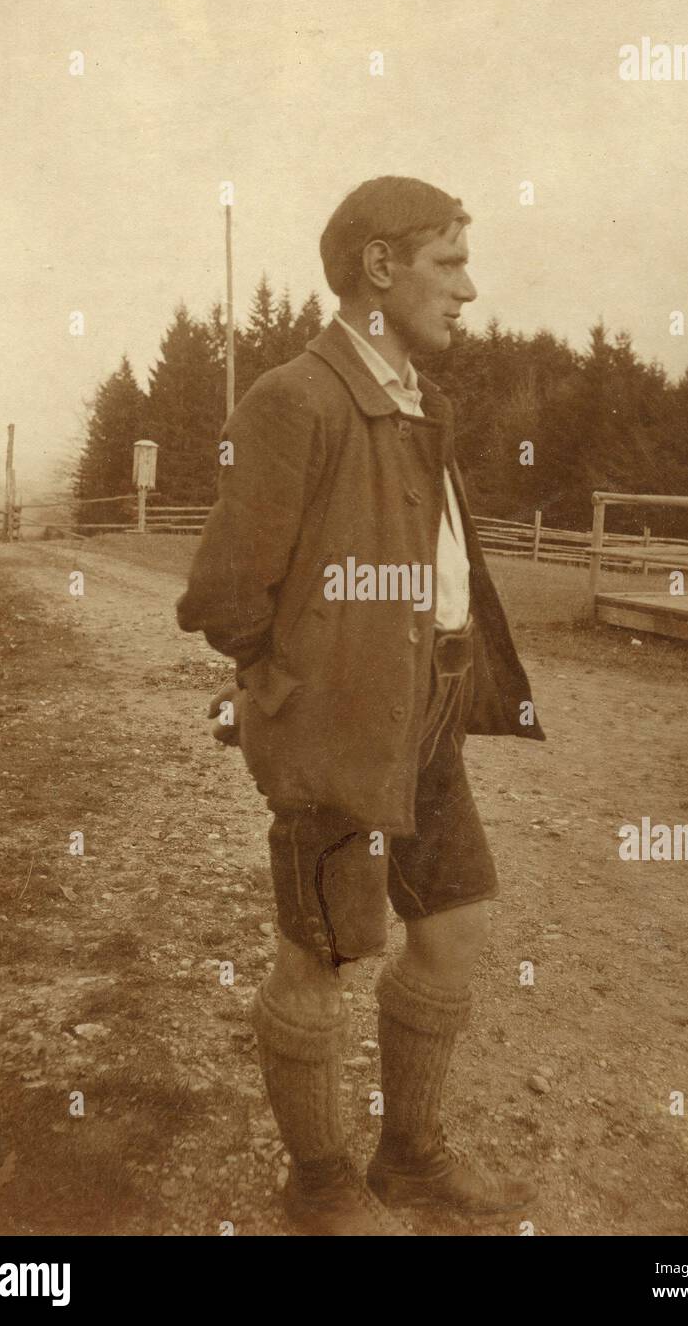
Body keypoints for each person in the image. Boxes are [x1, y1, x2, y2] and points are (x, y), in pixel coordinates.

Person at [177, 176, 546, 1235]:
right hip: (337, 720)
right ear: (379, 268)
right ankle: (318, 1181)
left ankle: (413, 1157)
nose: (468, 291)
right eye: (450, 263)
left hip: (425, 707)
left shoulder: (415, 396)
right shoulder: (295, 397)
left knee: (458, 920)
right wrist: (291, 685)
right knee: (324, 948)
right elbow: (223, 593)